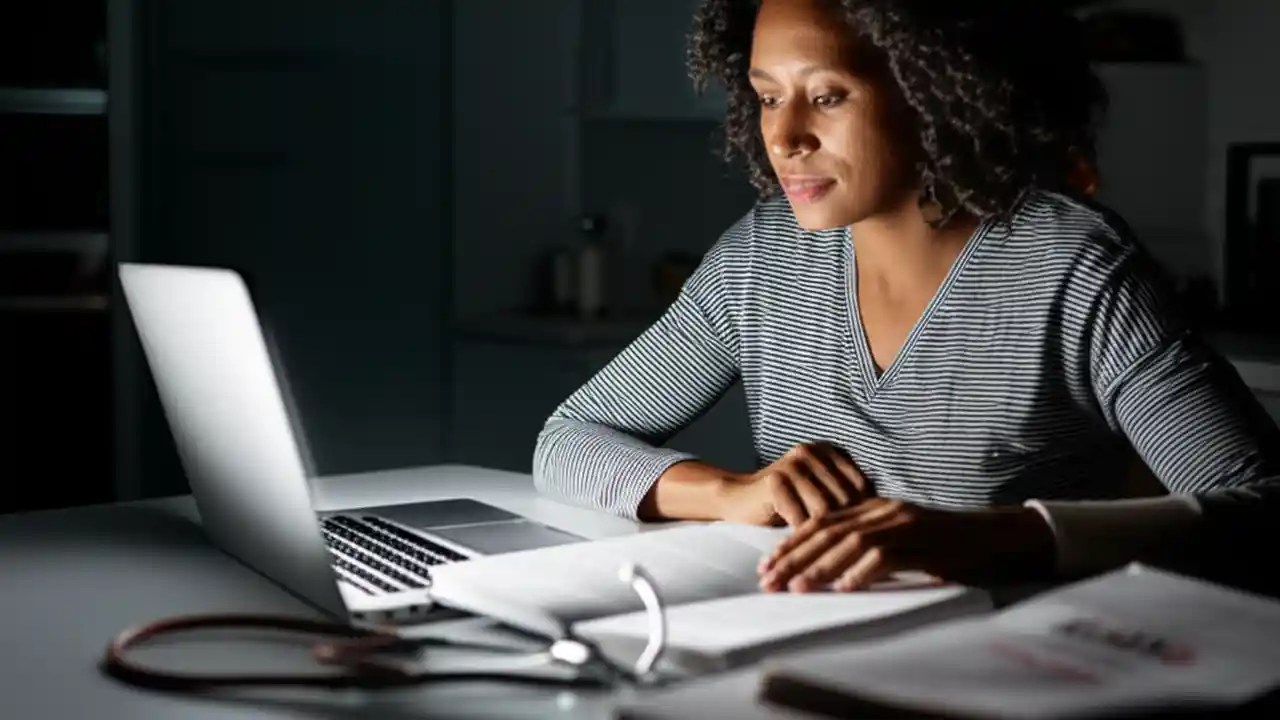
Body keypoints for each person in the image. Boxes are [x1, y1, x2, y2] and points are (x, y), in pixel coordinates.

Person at [533, 0, 1280, 595]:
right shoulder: (758, 259)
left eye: (826, 96)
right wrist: (731, 493)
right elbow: (568, 440)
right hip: (794, 645)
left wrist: (981, 535)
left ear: (938, 93)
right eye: (767, 97)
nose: (785, 136)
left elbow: (1262, 505)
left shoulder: (1075, 268)